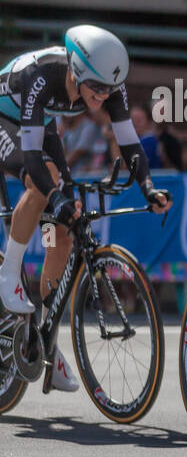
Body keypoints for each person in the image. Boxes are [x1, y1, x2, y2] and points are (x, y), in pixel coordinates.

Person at [0, 25, 172, 391]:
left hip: (40, 121)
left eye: (109, 90)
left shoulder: (108, 86)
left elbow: (130, 145)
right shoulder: (42, 76)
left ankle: (45, 340)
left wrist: (148, 188)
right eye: (95, 89)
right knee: (43, 179)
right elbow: (31, 157)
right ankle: (9, 272)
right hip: (6, 115)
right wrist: (55, 196)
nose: (102, 97)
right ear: (76, 70)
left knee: (61, 231)